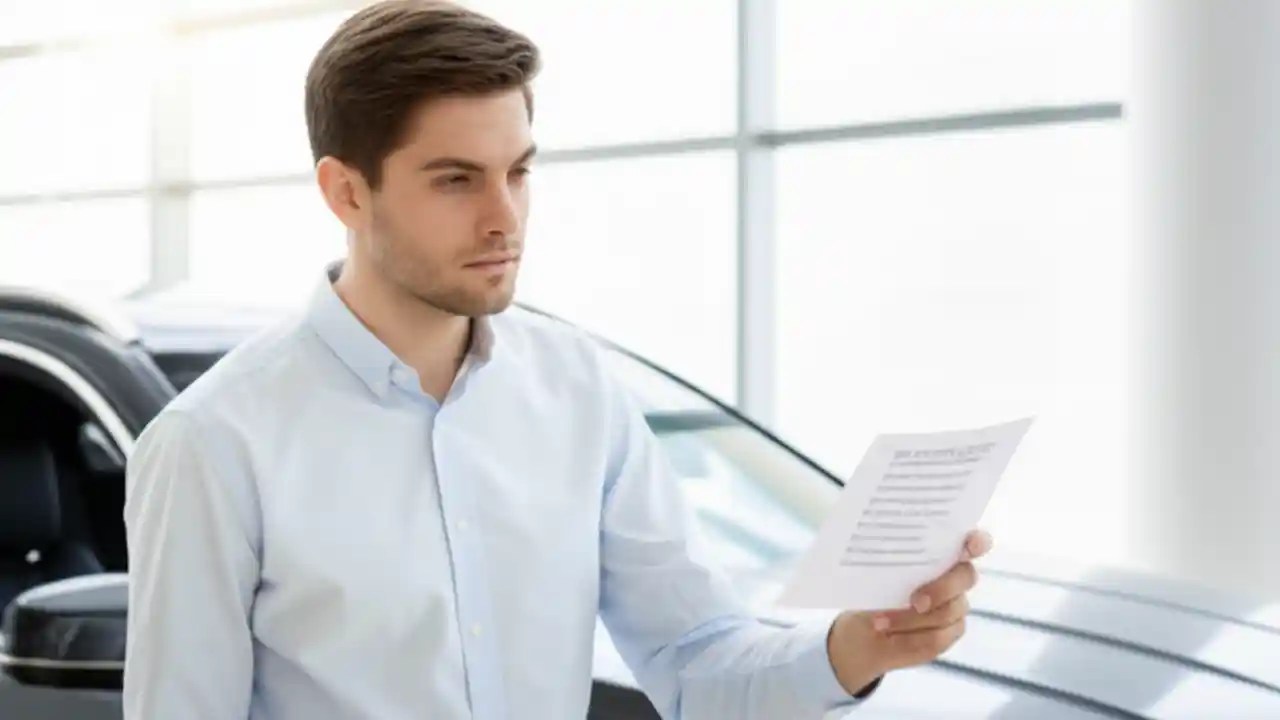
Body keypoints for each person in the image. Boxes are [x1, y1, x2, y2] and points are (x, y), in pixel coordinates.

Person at [122, 1, 991, 718]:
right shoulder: (213, 442)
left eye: (520, 172)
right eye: (457, 180)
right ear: (346, 191)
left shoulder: (579, 389)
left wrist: (856, 645)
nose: (505, 219)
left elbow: (693, 661)